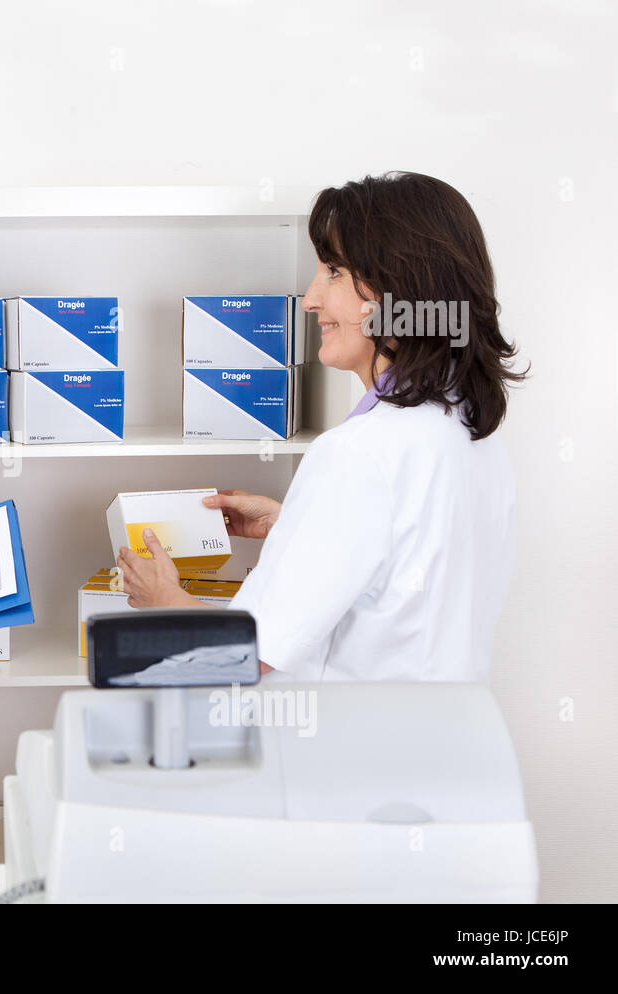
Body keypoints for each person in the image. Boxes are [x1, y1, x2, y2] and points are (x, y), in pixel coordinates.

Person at [117, 172, 526, 682]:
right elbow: (406, 581)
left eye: (333, 272)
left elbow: (242, 660)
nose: (310, 300)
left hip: (351, 752)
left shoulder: (357, 454)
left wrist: (163, 600)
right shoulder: (469, 428)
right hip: (442, 741)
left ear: (400, 292)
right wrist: (299, 525)